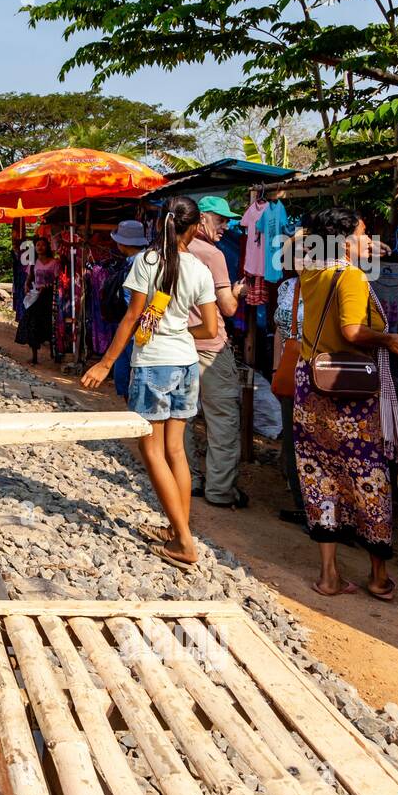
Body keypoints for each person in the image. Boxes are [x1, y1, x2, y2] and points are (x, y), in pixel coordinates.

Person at [80, 197, 218, 569]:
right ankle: (178, 531)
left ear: (160, 224)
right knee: (176, 451)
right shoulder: (200, 269)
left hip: (153, 363)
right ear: (194, 227)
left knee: (151, 451)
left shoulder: (147, 262)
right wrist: (179, 329)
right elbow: (210, 328)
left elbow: (131, 318)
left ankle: (184, 542)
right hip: (186, 363)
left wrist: (106, 363)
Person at [293, 207, 398, 600]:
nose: (368, 240)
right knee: (368, 478)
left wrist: (357, 245)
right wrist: (389, 339)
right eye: (364, 233)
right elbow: (350, 330)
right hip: (348, 393)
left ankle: (328, 576)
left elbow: (303, 241)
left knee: (319, 475)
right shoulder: (350, 276)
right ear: (344, 241)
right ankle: (378, 577)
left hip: (310, 383)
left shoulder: (310, 271)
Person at [185, 195, 249, 508]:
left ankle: (190, 479)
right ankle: (220, 490)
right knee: (222, 418)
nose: (226, 225)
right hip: (211, 347)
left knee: (182, 416)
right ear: (202, 218)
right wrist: (237, 293)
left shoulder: (169, 252)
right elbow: (227, 307)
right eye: (221, 219)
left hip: (179, 346)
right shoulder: (212, 254)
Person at [273, 269, 306, 524]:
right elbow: (279, 332)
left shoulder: (332, 283)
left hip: (319, 372)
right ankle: (302, 504)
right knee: (293, 441)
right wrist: (277, 368)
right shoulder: (287, 288)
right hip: (290, 368)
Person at [106, 219, 151, 398]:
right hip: (144, 327)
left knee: (129, 377)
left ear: (121, 243)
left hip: (132, 328)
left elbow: (132, 309)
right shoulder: (149, 260)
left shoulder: (135, 265)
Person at [16, 236, 61, 364]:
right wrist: (26, 285)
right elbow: (30, 277)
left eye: (43, 245)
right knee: (31, 322)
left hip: (49, 297)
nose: (40, 247)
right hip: (36, 296)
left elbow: (58, 281)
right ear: (35, 248)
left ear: (47, 247)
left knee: (51, 325)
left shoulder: (55, 262)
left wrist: (47, 287)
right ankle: (34, 356)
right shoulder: (33, 263)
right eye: (38, 245)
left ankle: (55, 353)